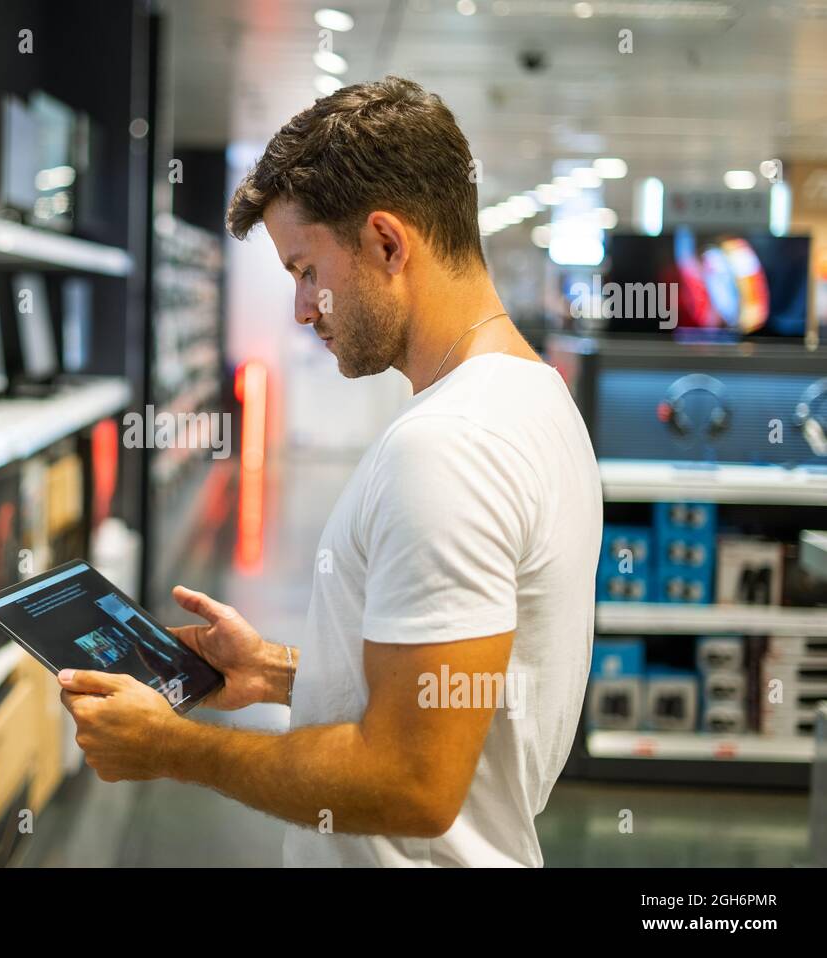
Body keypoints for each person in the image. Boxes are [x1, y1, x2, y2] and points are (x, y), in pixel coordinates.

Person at [58, 75, 603, 867]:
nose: (302, 308)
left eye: (307, 270)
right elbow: (460, 689)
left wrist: (169, 747)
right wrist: (278, 672)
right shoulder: (535, 398)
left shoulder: (449, 445)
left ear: (387, 243)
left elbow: (412, 782)